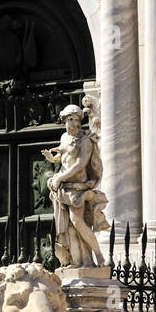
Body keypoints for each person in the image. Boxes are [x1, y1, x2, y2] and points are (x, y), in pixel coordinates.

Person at [44, 104, 107, 268]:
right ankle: (78, 262)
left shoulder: (85, 141)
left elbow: (80, 164)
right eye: (70, 119)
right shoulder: (64, 137)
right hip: (64, 187)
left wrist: (59, 178)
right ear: (64, 120)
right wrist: (53, 159)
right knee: (69, 228)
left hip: (78, 188)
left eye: (76, 119)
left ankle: (99, 255)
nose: (73, 123)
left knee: (77, 221)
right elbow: (64, 156)